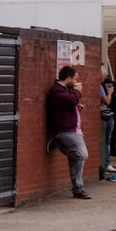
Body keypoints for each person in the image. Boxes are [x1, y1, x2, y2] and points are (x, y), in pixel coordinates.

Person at [46, 65, 92, 200]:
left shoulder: (66, 90)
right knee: (82, 155)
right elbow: (71, 100)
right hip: (65, 130)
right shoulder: (57, 91)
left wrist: (77, 106)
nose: (77, 82)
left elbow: (71, 103)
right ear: (69, 78)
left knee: (77, 159)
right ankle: (57, 143)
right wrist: (78, 91)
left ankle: (78, 189)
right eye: (75, 79)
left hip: (74, 130)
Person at [99, 65, 116, 180]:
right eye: (104, 74)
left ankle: (106, 164)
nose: (106, 76)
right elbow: (107, 101)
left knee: (107, 140)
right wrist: (110, 92)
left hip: (109, 115)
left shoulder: (106, 84)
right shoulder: (102, 86)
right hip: (105, 116)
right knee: (105, 141)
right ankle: (105, 164)